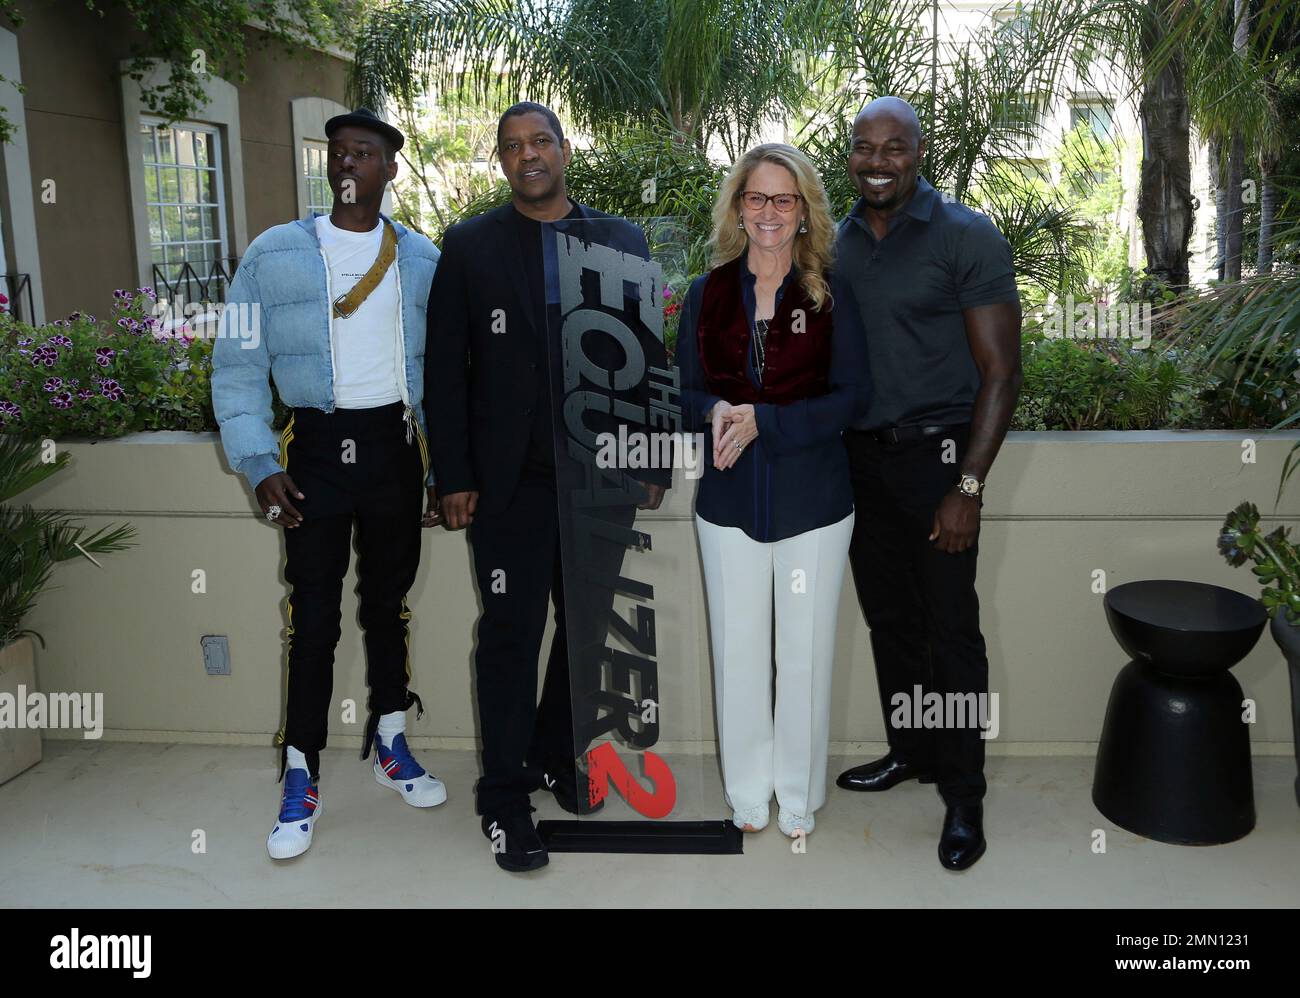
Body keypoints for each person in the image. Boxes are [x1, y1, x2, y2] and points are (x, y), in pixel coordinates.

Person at [425, 102, 666, 873]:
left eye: (540, 142)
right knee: (509, 635)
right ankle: (503, 797)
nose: (528, 155)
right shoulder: (468, 247)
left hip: (601, 479)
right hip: (508, 487)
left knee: (587, 631)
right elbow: (444, 373)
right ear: (501, 161)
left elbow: (647, 357)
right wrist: (453, 476)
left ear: (565, 151)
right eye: (512, 146)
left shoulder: (620, 242)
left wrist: (652, 458)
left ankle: (560, 755)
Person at [212, 107, 445, 861]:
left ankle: (390, 739)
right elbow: (238, 366)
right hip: (310, 452)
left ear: (389, 170)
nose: (348, 165)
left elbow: (443, 377)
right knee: (312, 617)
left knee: (388, 605)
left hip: (392, 449)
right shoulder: (274, 254)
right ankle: (300, 772)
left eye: (365, 154)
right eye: (338, 153)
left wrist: (444, 472)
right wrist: (259, 462)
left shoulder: (420, 259)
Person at [834, 97, 1023, 871]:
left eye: (895, 147)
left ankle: (965, 792)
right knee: (891, 621)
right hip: (859, 462)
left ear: (919, 152)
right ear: (851, 154)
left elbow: (1003, 375)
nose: (878, 161)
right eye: (864, 147)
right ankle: (910, 751)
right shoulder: (835, 240)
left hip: (941, 460)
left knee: (951, 630)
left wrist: (968, 488)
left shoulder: (965, 236)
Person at [676, 143, 870, 838]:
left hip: (813, 505)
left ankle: (798, 792)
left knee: (804, 654)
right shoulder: (708, 293)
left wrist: (767, 421)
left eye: (783, 199)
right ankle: (747, 791)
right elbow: (684, 391)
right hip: (727, 505)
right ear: (737, 207)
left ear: (804, 211)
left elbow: (853, 398)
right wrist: (714, 413)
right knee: (738, 650)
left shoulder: (831, 294)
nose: (769, 212)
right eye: (755, 198)